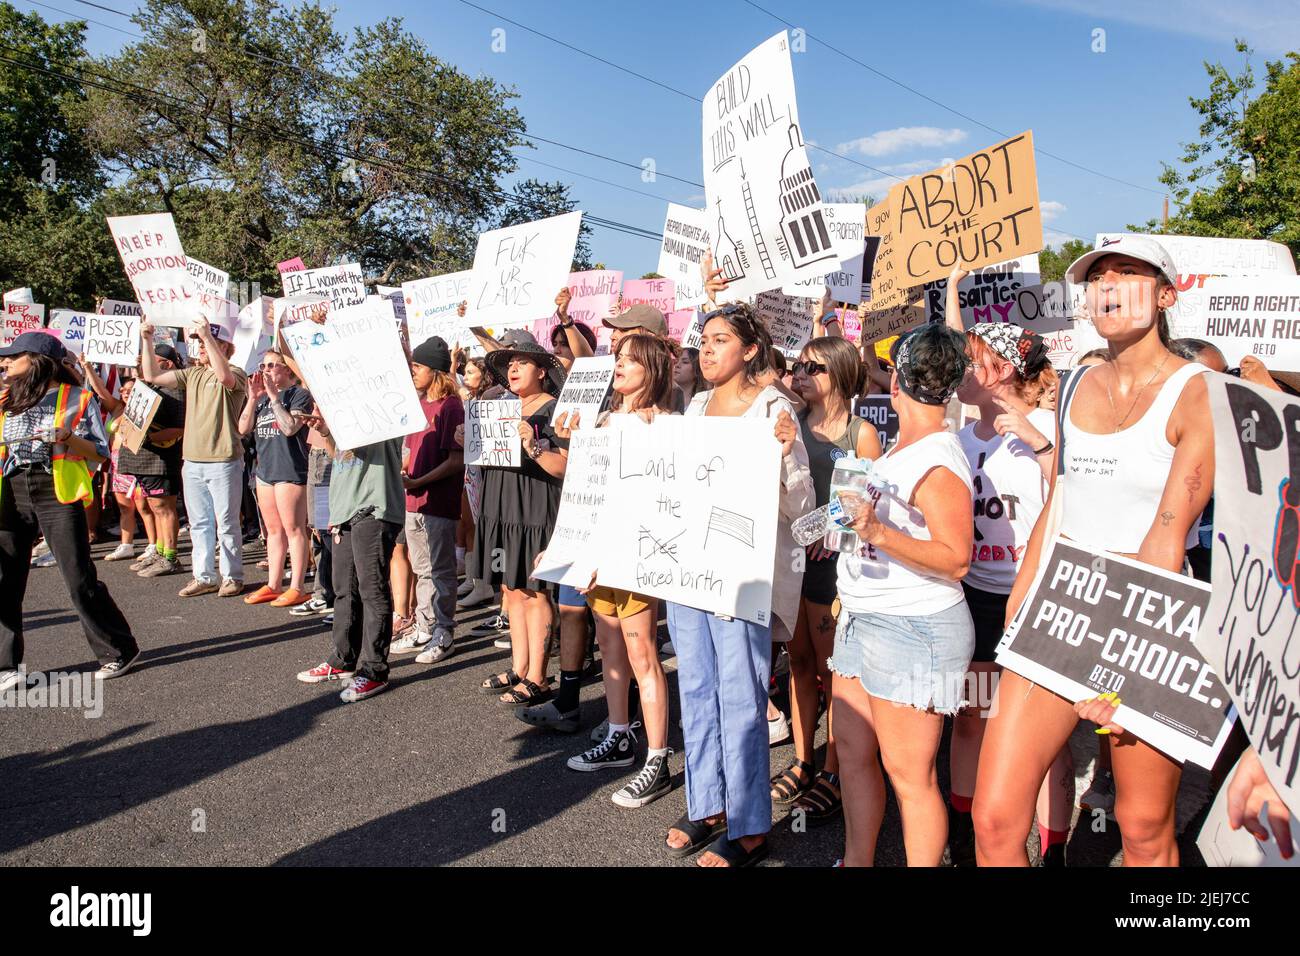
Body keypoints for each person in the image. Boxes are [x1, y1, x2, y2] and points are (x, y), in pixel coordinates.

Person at [973, 235, 1214, 867]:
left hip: (1148, 622)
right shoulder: (1076, 382)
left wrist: (1122, 671)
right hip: (1062, 607)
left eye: (1127, 274)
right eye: (1097, 276)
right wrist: (1021, 605)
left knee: (1141, 829)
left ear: (1166, 295)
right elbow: (1060, 500)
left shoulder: (1196, 392)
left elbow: (1167, 537)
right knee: (995, 817)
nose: (1107, 285)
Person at [663, 295, 814, 868]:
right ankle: (707, 805)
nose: (707, 348)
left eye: (721, 339)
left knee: (741, 697)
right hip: (689, 571)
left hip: (742, 575)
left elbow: (800, 503)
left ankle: (749, 825)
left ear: (751, 350)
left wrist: (780, 454)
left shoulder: (773, 408)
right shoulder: (695, 406)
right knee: (697, 689)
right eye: (704, 338)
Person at [831, 324, 975, 867]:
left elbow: (956, 557)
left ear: (898, 378)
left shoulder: (938, 458)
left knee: (909, 777)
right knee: (853, 753)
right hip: (863, 617)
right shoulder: (905, 443)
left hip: (915, 629)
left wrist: (878, 534)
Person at [948, 315, 1073, 867]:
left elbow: (1080, 500)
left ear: (998, 368)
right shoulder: (957, 437)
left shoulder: (1051, 424)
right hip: (977, 598)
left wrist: (1044, 448)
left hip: (1038, 600)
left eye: (969, 359)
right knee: (972, 716)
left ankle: (1054, 851)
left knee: (1048, 739)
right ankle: (964, 836)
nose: (957, 371)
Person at [537, 334, 678, 808]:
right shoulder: (602, 421)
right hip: (599, 562)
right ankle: (619, 736)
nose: (619, 366)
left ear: (653, 370)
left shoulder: (669, 426)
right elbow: (585, 495)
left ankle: (656, 759)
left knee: (644, 659)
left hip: (637, 559)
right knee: (611, 648)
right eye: (618, 358)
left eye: (630, 360)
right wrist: (566, 550)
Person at [775, 336, 881, 826]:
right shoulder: (788, 424)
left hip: (832, 567)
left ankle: (836, 771)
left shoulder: (860, 433)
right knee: (797, 662)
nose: (799, 374)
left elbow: (863, 506)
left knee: (833, 672)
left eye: (812, 367)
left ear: (837, 373)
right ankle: (804, 759)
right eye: (797, 366)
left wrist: (828, 532)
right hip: (789, 560)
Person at [0, 332, 140, 691]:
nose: (4, 362)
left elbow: (100, 452)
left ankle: (118, 649)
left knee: (78, 578)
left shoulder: (76, 397)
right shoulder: (5, 399)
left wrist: (67, 438)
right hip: (11, 492)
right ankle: (6, 665)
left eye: (12, 356)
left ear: (37, 360)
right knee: (6, 579)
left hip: (55, 492)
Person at [465, 341, 569, 706]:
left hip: (534, 508)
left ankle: (539, 676)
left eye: (522, 363)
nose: (513, 368)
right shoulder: (497, 407)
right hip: (500, 506)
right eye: (510, 363)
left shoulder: (556, 409)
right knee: (510, 589)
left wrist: (534, 445)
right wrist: (469, 441)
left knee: (532, 590)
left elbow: (565, 467)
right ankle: (519, 667)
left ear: (541, 371)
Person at [294, 413, 406, 702]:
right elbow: (343, 458)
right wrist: (328, 434)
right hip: (344, 509)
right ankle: (343, 659)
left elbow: (369, 448)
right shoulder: (346, 413)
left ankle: (374, 671)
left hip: (374, 508)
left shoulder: (381, 408)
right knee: (344, 589)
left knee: (372, 590)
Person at [140, 317, 249, 598]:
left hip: (223, 459)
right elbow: (151, 376)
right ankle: (204, 576)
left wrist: (208, 337)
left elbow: (225, 378)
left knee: (226, 522)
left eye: (207, 342)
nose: (200, 346)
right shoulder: (192, 374)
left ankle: (232, 576)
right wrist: (146, 339)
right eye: (199, 342)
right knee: (199, 523)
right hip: (192, 461)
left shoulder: (237, 373)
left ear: (225, 347)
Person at [390, 336, 464, 664]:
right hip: (413, 500)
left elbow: (456, 460)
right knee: (422, 569)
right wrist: (402, 473)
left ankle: (444, 631)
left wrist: (418, 480)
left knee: (442, 570)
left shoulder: (451, 406)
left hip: (438, 501)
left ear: (434, 371)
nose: (412, 372)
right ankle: (423, 625)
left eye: (417, 366)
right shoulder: (417, 404)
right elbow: (410, 450)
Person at [238, 350, 314, 606]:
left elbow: (290, 427)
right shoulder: (260, 400)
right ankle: (273, 582)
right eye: (264, 365)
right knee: (273, 530)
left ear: (287, 369)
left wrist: (273, 398)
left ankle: (297, 586)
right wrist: (252, 399)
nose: (267, 369)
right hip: (266, 471)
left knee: (294, 528)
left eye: (273, 365)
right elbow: (243, 428)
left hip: (290, 470)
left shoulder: (300, 395)